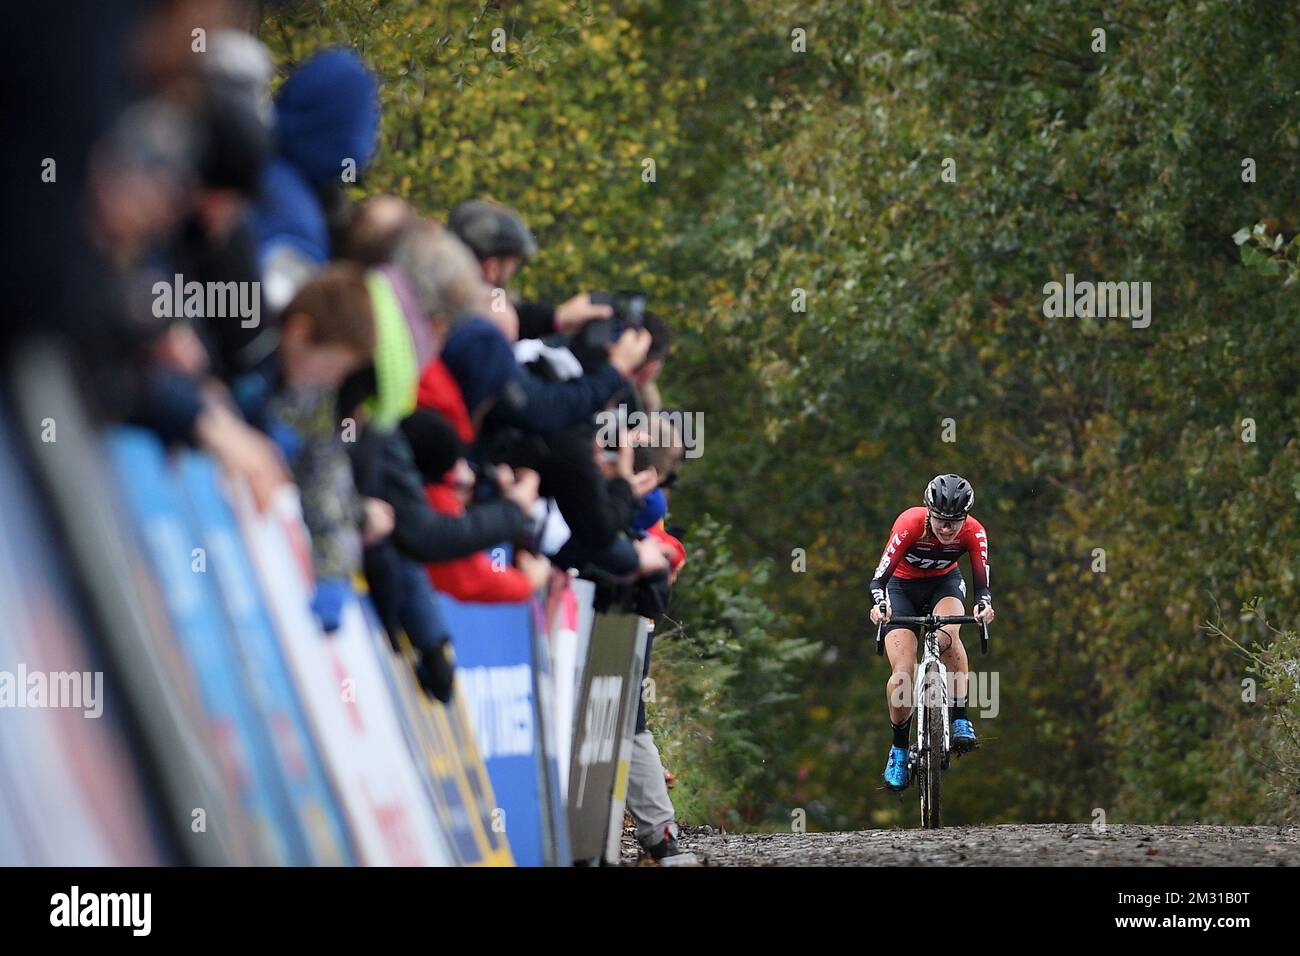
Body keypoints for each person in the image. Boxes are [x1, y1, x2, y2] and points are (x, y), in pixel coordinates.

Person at [869, 473, 995, 791]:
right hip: (900, 588)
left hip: (944, 585)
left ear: (965, 517)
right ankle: (898, 749)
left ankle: (959, 716)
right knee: (902, 673)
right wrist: (880, 606)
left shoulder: (974, 532)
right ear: (929, 512)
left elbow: (982, 587)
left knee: (948, 635)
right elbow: (878, 581)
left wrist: (984, 607)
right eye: (940, 520)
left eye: (955, 521)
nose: (947, 528)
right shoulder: (909, 523)